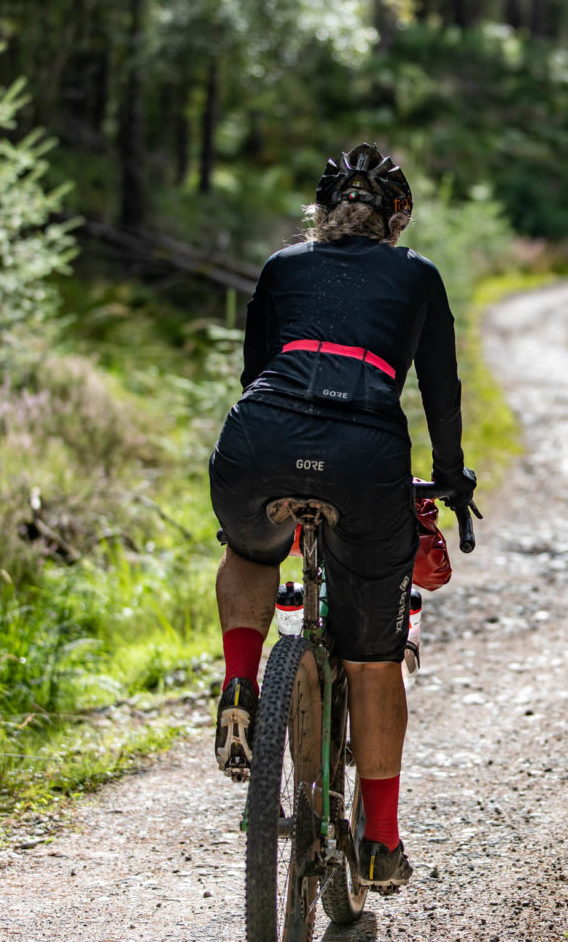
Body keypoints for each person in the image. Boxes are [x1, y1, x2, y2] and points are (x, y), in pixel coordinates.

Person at [207, 143, 475, 890]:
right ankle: (380, 841)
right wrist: (450, 480)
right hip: (364, 461)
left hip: (259, 441)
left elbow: (254, 369)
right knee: (371, 656)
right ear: (397, 219)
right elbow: (441, 392)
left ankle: (239, 682)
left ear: (321, 213)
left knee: (253, 551)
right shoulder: (418, 275)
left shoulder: (281, 267)